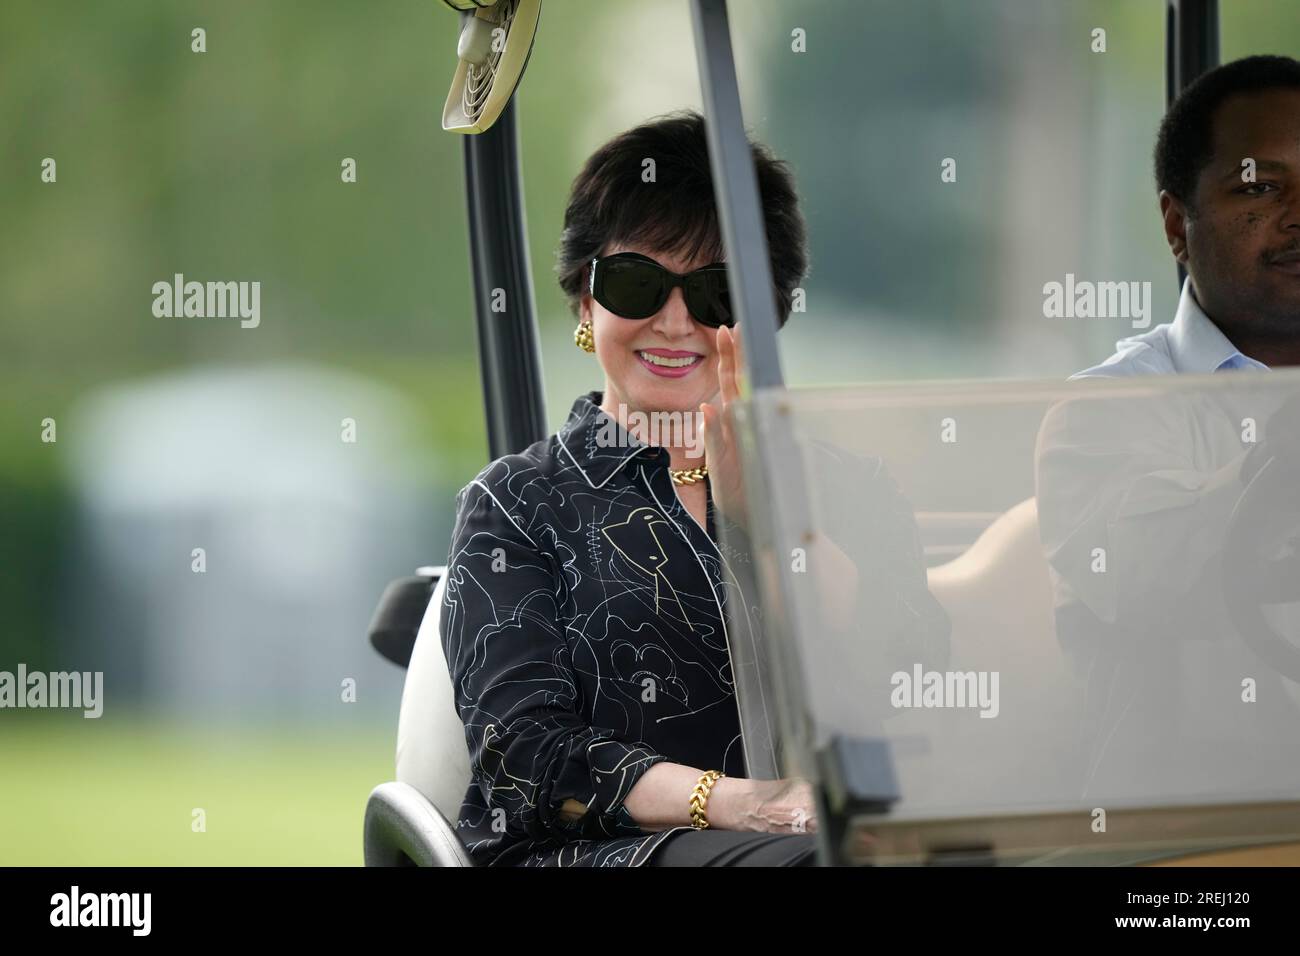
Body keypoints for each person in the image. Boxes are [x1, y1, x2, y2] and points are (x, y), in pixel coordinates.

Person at [440, 110, 945, 867]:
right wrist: (737, 803)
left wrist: (769, 526)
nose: (676, 322)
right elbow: (526, 754)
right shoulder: (519, 504)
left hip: (830, 840)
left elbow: (913, 682)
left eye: (716, 293)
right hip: (600, 852)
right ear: (586, 302)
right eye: (639, 283)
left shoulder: (850, 488)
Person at [1034, 56, 1300, 801]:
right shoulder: (1101, 415)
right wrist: (1273, 466)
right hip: (1185, 844)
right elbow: (1150, 576)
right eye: (1260, 187)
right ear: (1178, 224)